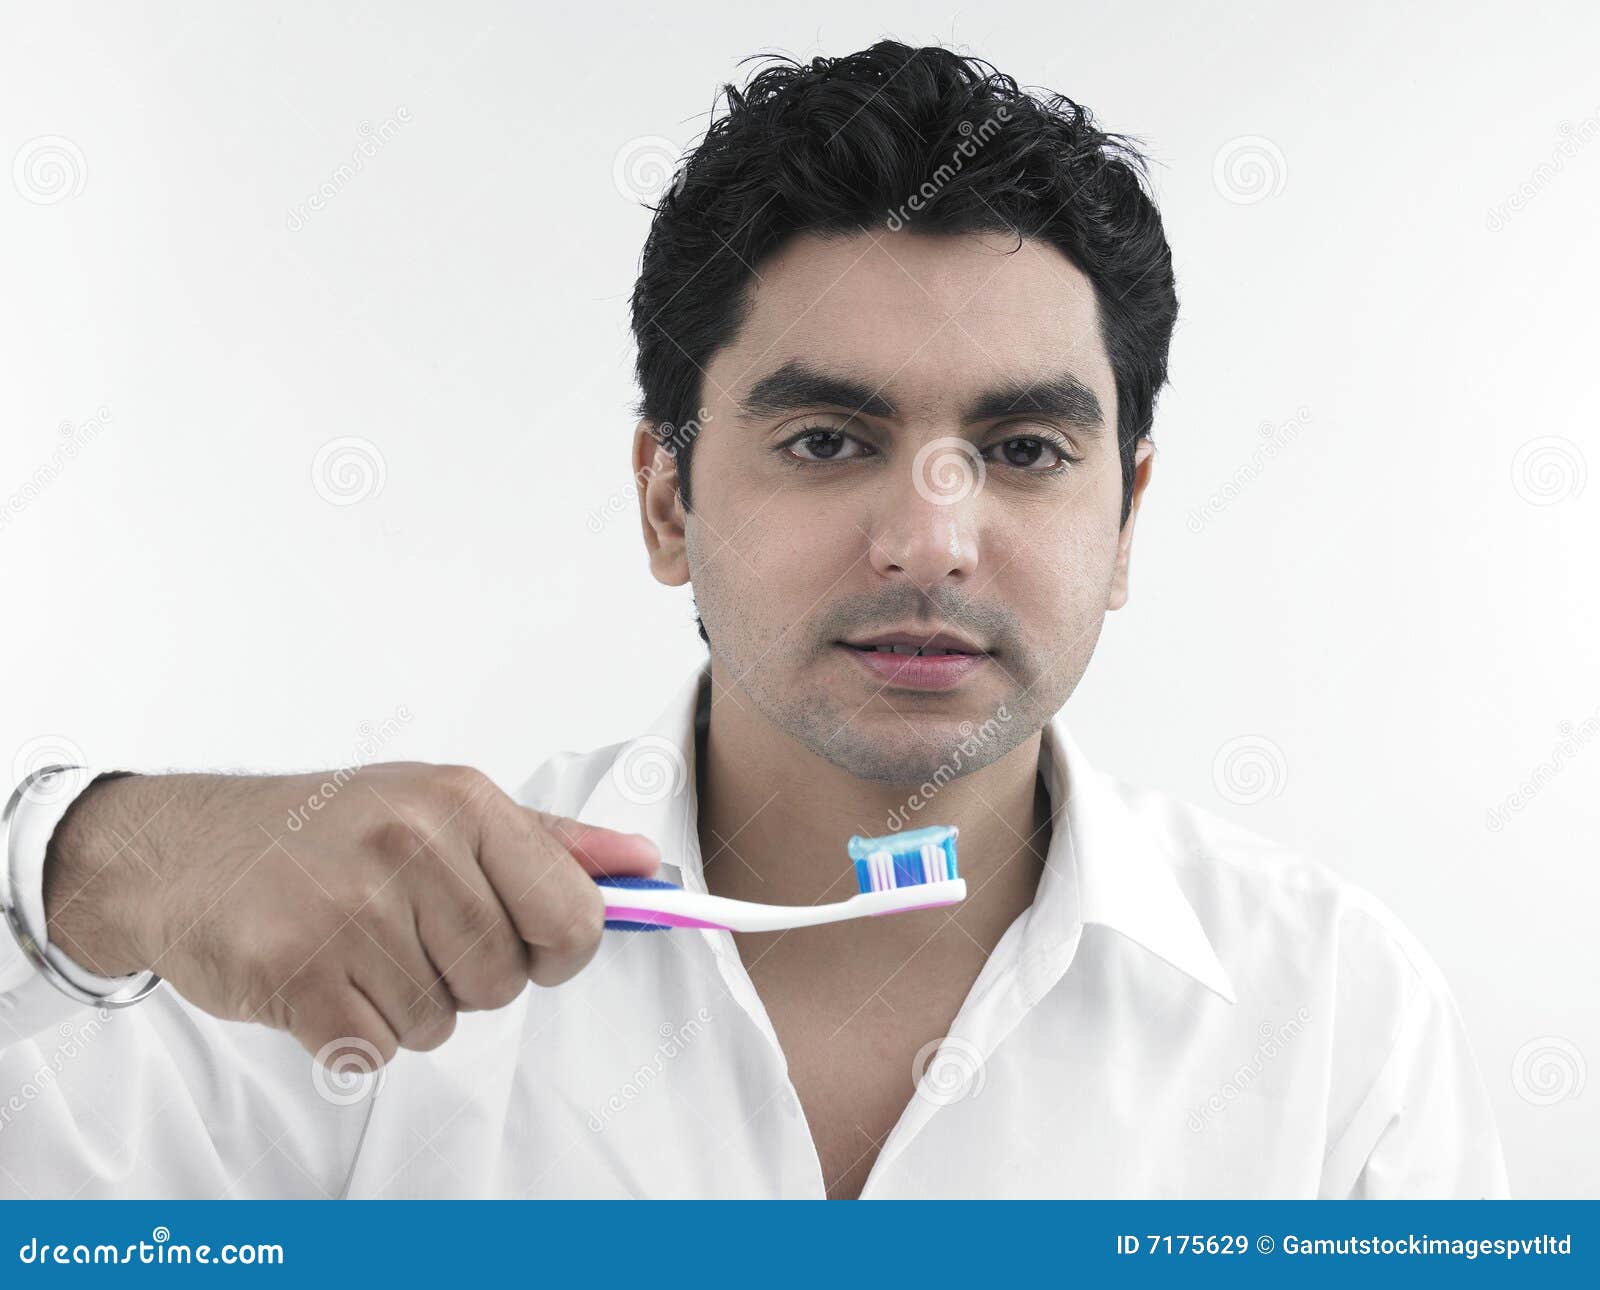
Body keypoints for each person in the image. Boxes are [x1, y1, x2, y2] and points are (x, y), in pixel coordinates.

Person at [0, 39, 1508, 1200]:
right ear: (667, 500)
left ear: (1126, 518)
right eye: (827, 440)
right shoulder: (332, 965)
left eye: (1027, 451)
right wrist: (90, 857)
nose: (931, 538)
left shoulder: (1336, 1028)